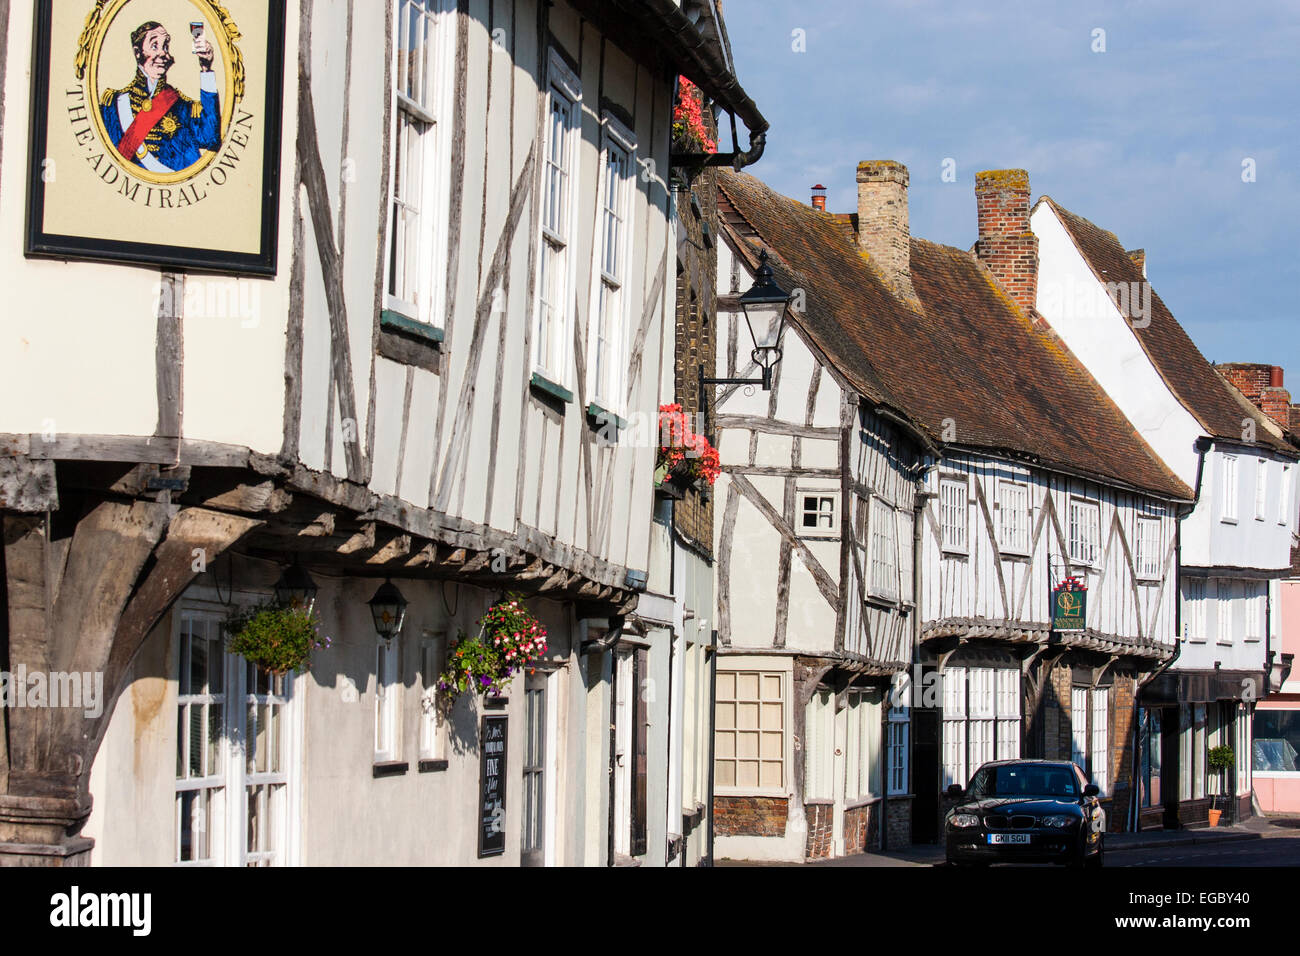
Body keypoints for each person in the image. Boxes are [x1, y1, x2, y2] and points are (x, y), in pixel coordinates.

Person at [99, 21, 221, 174]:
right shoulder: (113, 106)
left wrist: (206, 69)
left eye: (165, 46)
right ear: (137, 52)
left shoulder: (182, 106)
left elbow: (211, 139)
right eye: (155, 46)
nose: (163, 53)